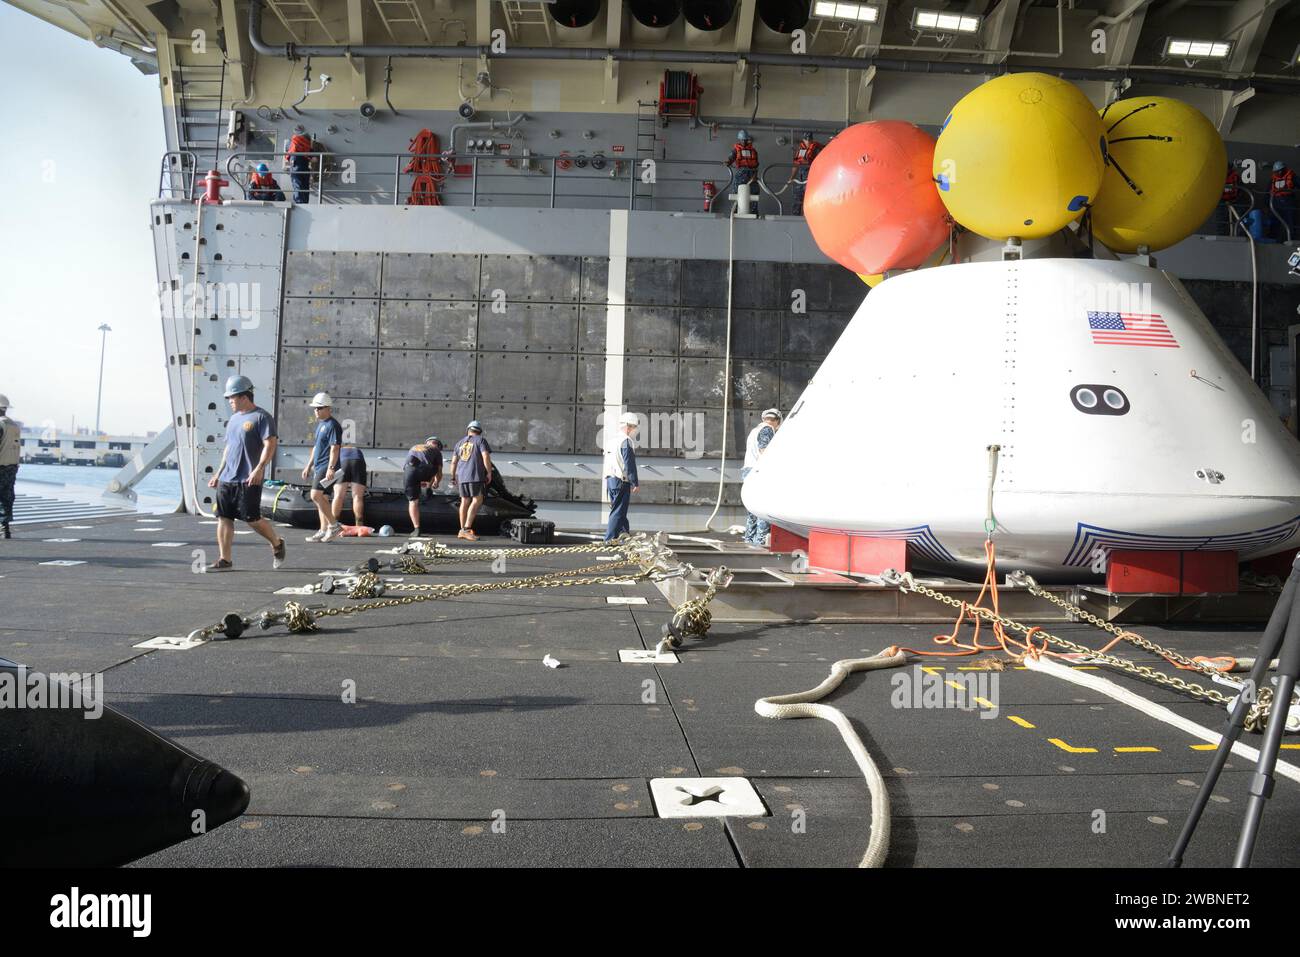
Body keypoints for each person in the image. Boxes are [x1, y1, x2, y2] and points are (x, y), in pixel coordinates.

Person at [205, 375, 286, 571]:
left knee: (252, 519)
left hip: (249, 478)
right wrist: (218, 473)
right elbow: (229, 448)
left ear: (244, 396)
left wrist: (259, 469)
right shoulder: (233, 420)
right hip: (227, 479)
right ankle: (225, 559)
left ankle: (276, 543)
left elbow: (270, 443)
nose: (230, 401)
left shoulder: (262, 417)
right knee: (224, 517)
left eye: (232, 397)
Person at [301, 392, 344, 542]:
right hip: (319, 466)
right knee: (323, 498)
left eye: (319, 408)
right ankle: (323, 529)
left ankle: (333, 525)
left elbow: (335, 448)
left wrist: (331, 467)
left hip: (326, 466)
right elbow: (316, 447)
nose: (316, 411)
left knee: (315, 495)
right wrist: (308, 465)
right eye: (315, 408)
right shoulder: (321, 425)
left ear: (328, 408)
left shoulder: (333, 425)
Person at [741, 408, 782, 545]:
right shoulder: (767, 430)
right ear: (777, 421)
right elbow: (764, 450)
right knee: (762, 508)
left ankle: (749, 539)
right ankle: (760, 541)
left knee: (752, 509)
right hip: (758, 471)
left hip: (748, 470)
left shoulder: (754, 431)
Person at [452, 421, 493, 541]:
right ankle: (466, 529)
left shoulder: (459, 443)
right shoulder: (480, 440)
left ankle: (462, 530)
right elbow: (485, 456)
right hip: (474, 475)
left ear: (468, 430)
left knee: (465, 501)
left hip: (462, 476)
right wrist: (489, 472)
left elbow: (454, 461)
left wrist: (453, 477)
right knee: (477, 499)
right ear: (479, 431)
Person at [602, 412, 640, 543]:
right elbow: (629, 463)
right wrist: (634, 482)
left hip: (610, 480)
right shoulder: (626, 441)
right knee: (618, 511)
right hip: (621, 481)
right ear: (629, 426)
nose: (635, 430)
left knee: (619, 510)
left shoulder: (612, 441)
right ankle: (609, 539)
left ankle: (625, 536)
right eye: (634, 427)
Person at [403, 436, 443, 538]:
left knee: (413, 502)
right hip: (424, 470)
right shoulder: (436, 451)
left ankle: (416, 529)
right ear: (437, 445)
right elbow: (439, 471)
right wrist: (437, 482)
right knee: (433, 466)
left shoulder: (416, 446)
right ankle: (428, 488)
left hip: (408, 471)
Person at [333, 444, 368, 528]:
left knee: (338, 496)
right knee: (357, 497)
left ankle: (333, 525)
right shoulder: (356, 449)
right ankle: (359, 525)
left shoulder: (337, 449)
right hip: (358, 460)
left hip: (343, 461)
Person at [790, 132, 822, 216]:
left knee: (809, 196)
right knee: (798, 195)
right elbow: (796, 164)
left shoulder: (816, 147)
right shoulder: (801, 149)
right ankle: (795, 215)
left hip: (812, 176)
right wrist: (792, 177)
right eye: (806, 139)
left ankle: (808, 215)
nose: (808, 141)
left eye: (810, 139)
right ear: (803, 140)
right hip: (801, 177)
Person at [723, 130, 759, 203]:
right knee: (738, 192)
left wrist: (755, 175)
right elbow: (731, 158)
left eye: (745, 140)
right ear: (739, 139)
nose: (744, 141)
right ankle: (735, 210)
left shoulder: (753, 150)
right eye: (742, 140)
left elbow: (756, 164)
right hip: (741, 173)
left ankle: (754, 212)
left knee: (754, 192)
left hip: (752, 174)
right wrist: (728, 162)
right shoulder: (736, 150)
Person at [0, 394, 18, 539]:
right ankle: (5, 529)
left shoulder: (0, 424)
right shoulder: (13, 425)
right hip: (11, 467)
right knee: (7, 497)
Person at [285, 132, 315, 204]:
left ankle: (300, 203)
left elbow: (288, 152)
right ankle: (303, 203)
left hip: (296, 167)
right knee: (303, 187)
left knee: (298, 186)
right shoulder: (305, 144)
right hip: (302, 166)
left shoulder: (294, 143)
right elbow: (312, 156)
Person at [1271, 160, 1296, 242]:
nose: (1279, 172)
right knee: (1276, 222)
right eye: (1277, 171)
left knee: (1289, 221)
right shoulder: (1274, 179)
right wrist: (1266, 204)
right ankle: (1276, 239)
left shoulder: (1292, 176)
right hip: (1276, 202)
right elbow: (1269, 191)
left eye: (1281, 170)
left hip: (1288, 202)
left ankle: (1289, 238)